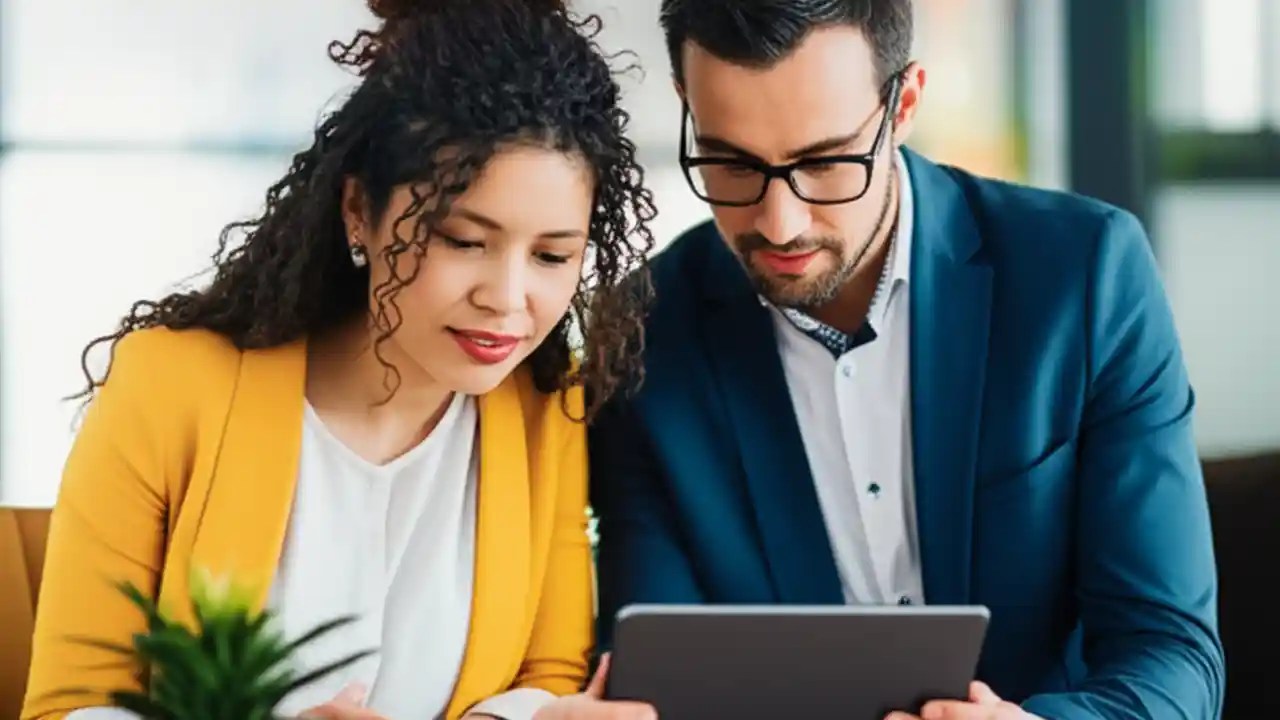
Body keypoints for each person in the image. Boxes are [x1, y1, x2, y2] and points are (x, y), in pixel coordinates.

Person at [22, 1, 659, 719]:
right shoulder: (170, 385)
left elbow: (547, 672)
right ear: (360, 209)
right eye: (462, 240)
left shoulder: (542, 407)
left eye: (552, 255)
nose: (508, 300)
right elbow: (67, 708)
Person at [588, 1, 1225, 718]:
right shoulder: (644, 330)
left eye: (825, 161)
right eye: (731, 162)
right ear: (687, 106)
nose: (779, 222)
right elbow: (660, 680)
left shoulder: (1085, 275)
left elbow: (1173, 656)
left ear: (905, 103)